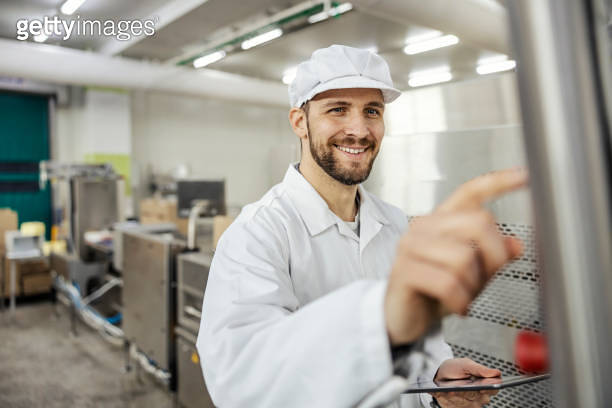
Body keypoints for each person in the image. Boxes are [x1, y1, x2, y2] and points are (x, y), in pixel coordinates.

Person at [196, 44, 527, 408]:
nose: (359, 129)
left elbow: (416, 340)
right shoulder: (256, 235)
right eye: (337, 110)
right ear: (299, 122)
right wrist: (379, 318)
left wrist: (435, 375)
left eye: (372, 111)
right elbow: (241, 383)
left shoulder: (394, 222)